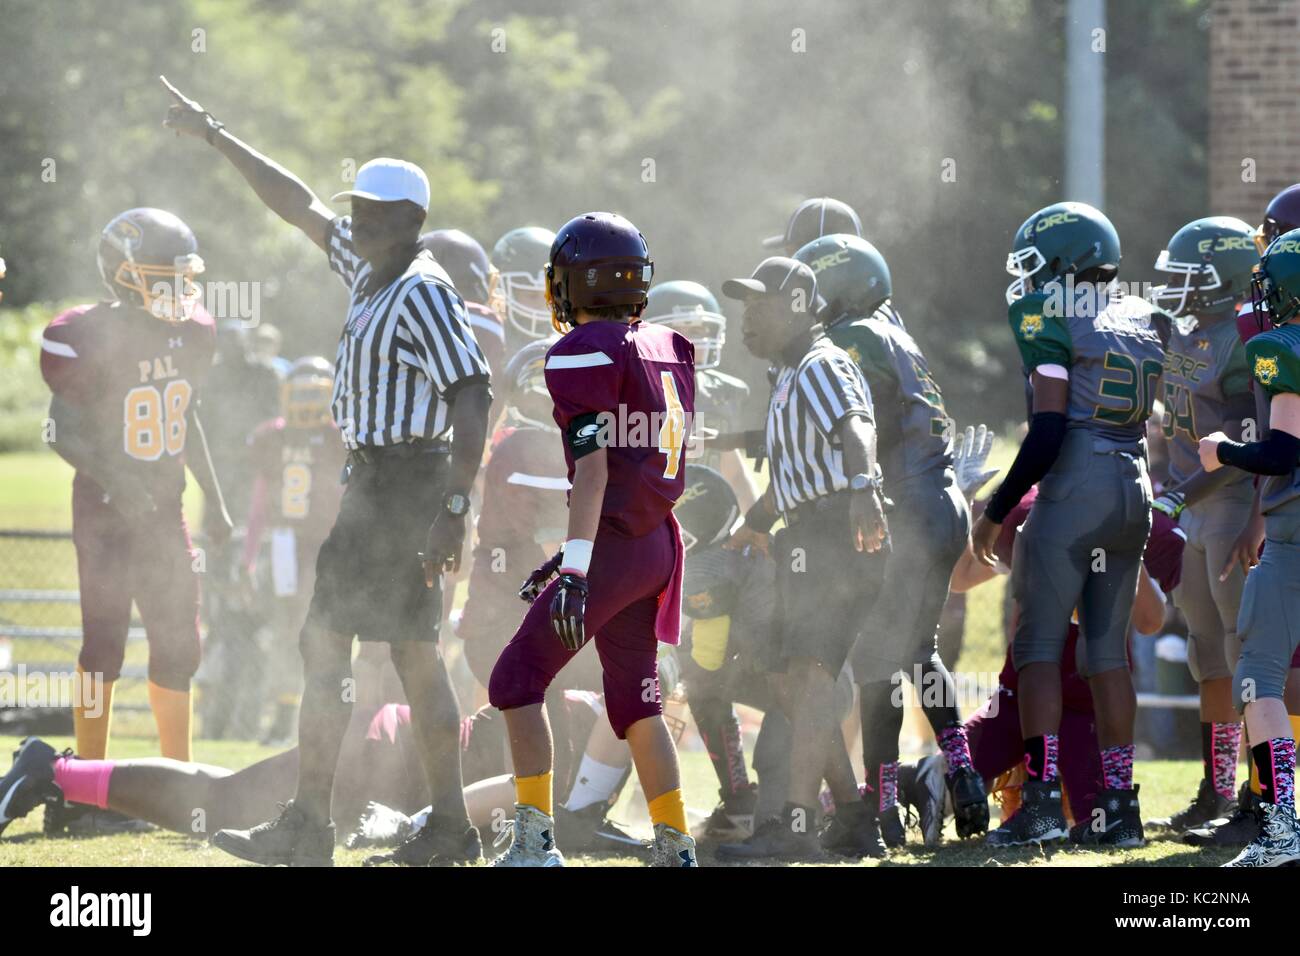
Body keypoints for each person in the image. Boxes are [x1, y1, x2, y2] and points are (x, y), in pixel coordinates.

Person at [160, 76, 493, 867]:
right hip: (372, 488)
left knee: (408, 654)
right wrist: (216, 135)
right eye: (357, 210)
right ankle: (315, 826)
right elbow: (298, 202)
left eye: (372, 213)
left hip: (409, 488)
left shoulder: (421, 288)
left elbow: (473, 393)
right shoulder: (372, 265)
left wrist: (452, 505)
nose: (354, 221)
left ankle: (437, 829)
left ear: (412, 223)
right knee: (333, 645)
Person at [487, 211, 698, 867]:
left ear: (574, 283)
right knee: (636, 698)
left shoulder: (583, 349)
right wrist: (575, 555)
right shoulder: (670, 345)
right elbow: (634, 470)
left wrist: (578, 568)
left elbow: (595, 467)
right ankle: (674, 845)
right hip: (654, 543)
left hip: (612, 545)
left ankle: (535, 843)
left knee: (515, 680)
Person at [973, 201, 1167, 848]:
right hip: (1135, 485)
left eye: (1035, 266)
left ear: (1063, 264)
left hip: (1077, 484)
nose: (1026, 281)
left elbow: (1049, 428)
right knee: (1108, 656)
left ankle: (1042, 805)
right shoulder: (1142, 316)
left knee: (1038, 652)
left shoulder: (1043, 314)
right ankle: (1119, 811)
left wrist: (999, 506)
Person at [796, 233, 988, 848]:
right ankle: (960, 767)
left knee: (879, 663)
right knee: (918, 650)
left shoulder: (851, 337)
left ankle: (881, 812)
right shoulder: (897, 334)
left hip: (903, 508)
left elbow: (849, 426)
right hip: (942, 501)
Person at [40, 206, 232, 765]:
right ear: (123, 275)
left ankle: (178, 773)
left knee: (180, 644)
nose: (179, 289)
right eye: (164, 277)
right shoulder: (87, 334)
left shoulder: (193, 332)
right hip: (103, 512)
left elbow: (187, 417)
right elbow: (59, 431)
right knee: (105, 643)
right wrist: (116, 479)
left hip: (164, 513)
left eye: (183, 276)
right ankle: (89, 774)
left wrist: (214, 501)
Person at [715, 256, 889, 860]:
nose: (747, 318)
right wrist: (752, 523)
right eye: (744, 306)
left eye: (758, 305)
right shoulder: (788, 374)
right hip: (806, 536)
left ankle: (789, 830)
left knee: (811, 680)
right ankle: (853, 817)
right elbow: (793, 474)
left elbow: (856, 424)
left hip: (839, 535)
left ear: (796, 306)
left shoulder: (821, 363)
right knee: (788, 680)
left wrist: (865, 489)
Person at [1144, 216, 1259, 832]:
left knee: (1247, 655)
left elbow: (1239, 444)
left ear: (1221, 281)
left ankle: (1261, 792)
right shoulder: (1186, 335)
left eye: (1190, 277)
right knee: (1205, 654)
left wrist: (1175, 497)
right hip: (1192, 509)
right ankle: (1215, 791)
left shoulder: (1243, 340)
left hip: (1231, 505)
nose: (1176, 287)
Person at [1196, 228, 1300, 866]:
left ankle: (1283, 832)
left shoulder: (1279, 347)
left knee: (1258, 676)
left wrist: (1222, 452)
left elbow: (1285, 449)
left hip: (1293, 534)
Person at [242, 356, 348, 743]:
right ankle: (288, 711)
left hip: (329, 544)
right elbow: (259, 501)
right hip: (288, 542)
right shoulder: (272, 436)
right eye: (299, 394)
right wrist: (249, 556)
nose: (306, 404)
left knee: (326, 631)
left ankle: (325, 709)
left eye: (313, 395)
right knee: (291, 630)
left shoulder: (339, 436)